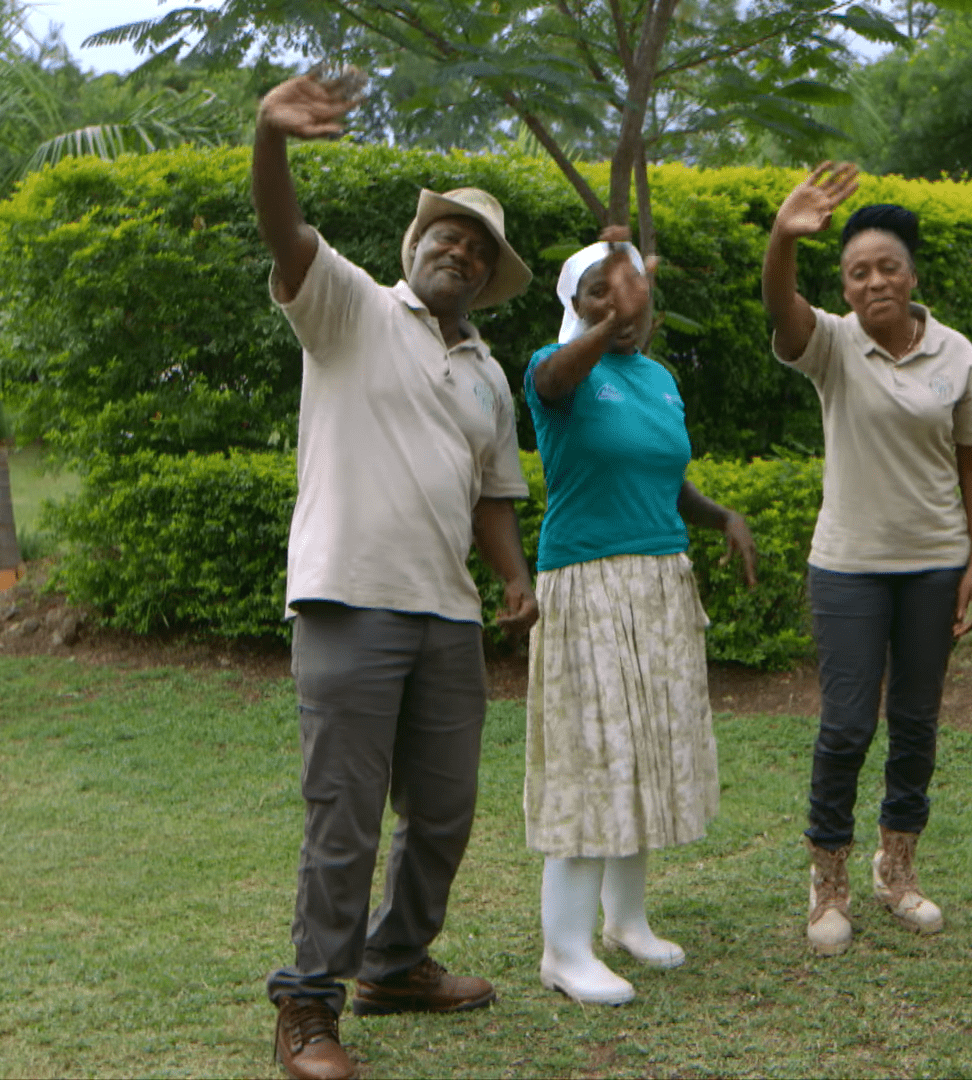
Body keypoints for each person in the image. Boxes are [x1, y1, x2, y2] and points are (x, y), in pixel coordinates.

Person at [252, 70, 540, 1080]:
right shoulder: (351, 309)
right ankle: (308, 1007)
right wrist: (270, 139)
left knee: (446, 811)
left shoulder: (487, 373)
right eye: (442, 235)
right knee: (345, 815)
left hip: (447, 617)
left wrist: (512, 579)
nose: (454, 249)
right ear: (411, 248)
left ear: (490, 272)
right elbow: (284, 233)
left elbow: (490, 493)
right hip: (348, 601)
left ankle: (396, 962)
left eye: (475, 245)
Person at [761, 162, 972, 957]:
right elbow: (782, 311)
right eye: (856, 272)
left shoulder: (956, 353)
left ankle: (896, 869)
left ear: (912, 273)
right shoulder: (831, 344)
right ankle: (826, 880)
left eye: (885, 267)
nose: (872, 283)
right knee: (845, 724)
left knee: (916, 722)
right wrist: (782, 240)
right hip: (848, 566)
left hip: (935, 562)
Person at [522, 229, 758, 1005]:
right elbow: (560, 378)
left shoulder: (657, 379)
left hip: (659, 583)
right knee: (594, 760)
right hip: (587, 583)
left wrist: (721, 515)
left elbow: (664, 479)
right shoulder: (554, 375)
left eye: (631, 293)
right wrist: (603, 320)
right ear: (575, 305)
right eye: (600, 293)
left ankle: (626, 920)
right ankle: (564, 949)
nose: (622, 307)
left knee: (645, 750)